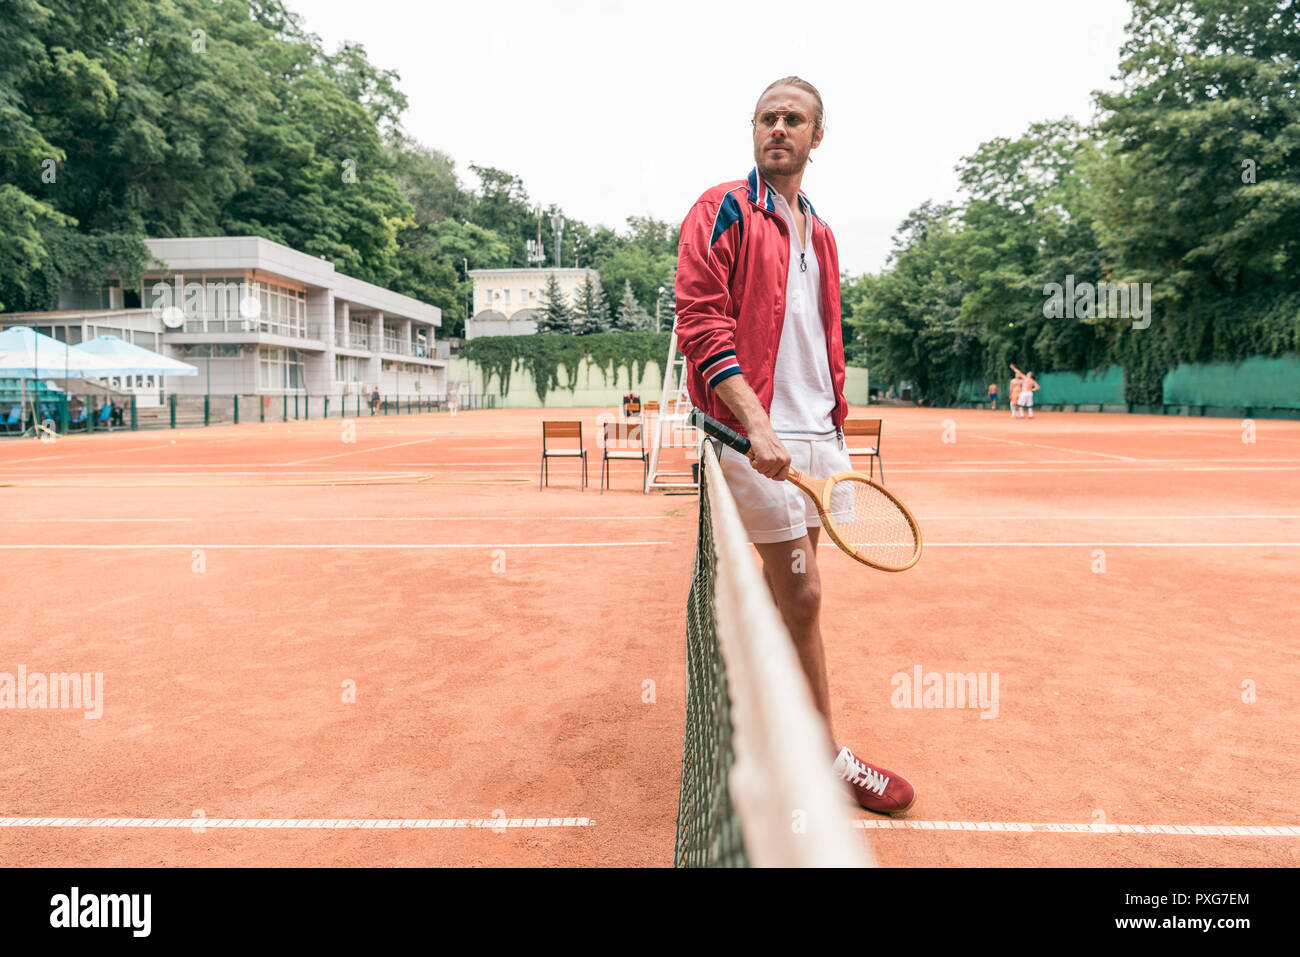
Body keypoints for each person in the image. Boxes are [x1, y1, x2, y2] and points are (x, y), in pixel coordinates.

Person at [675, 76, 915, 815]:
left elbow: (822, 337)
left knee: (793, 595)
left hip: (816, 434)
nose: (779, 128)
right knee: (802, 592)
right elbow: (701, 321)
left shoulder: (825, 231)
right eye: (768, 118)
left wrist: (831, 421)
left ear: (818, 137)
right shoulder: (719, 209)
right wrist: (756, 422)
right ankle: (820, 755)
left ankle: (769, 727)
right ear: (753, 130)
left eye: (795, 119)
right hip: (757, 434)